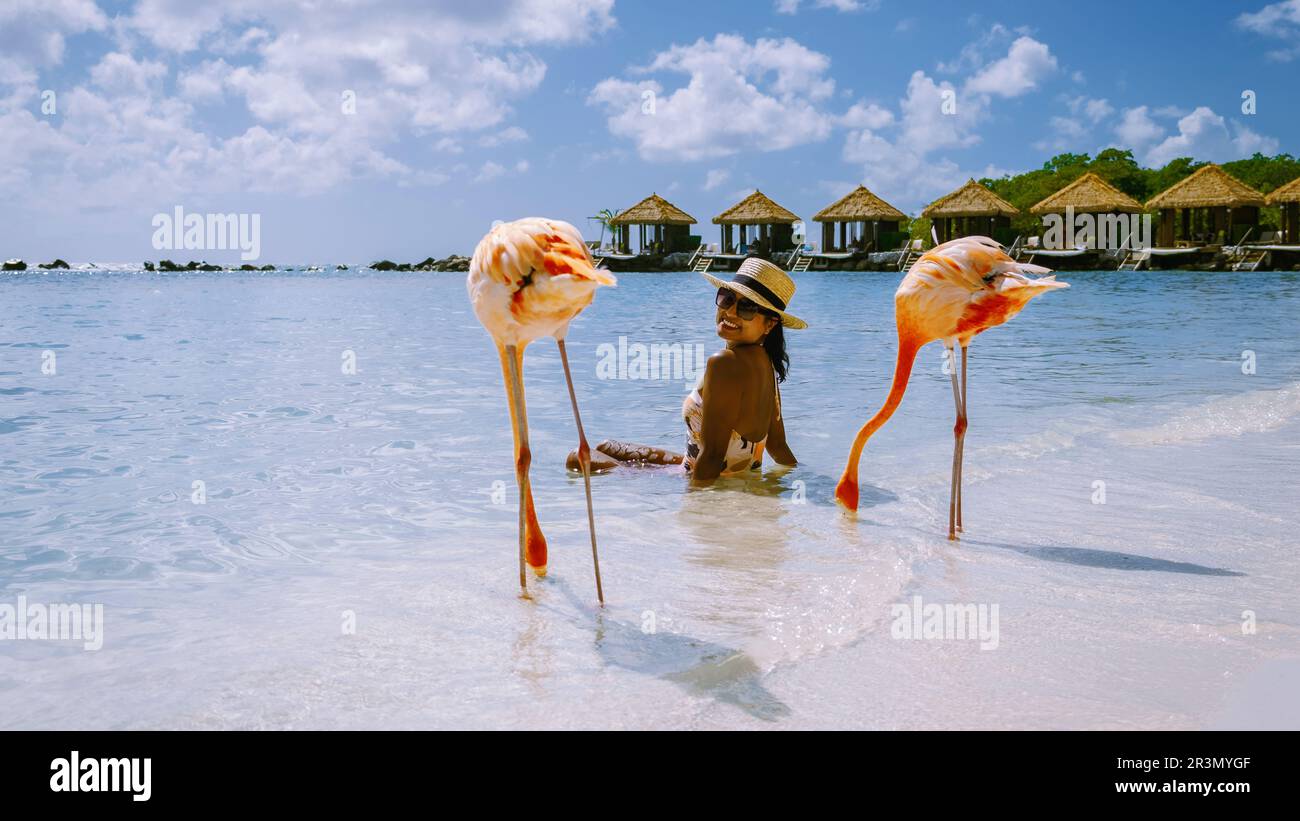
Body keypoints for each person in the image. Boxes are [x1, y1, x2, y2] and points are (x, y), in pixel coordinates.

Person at [568, 257, 807, 484]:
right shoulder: (767, 363)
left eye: (747, 307)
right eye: (726, 299)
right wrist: (802, 482)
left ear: (770, 324)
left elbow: (713, 456)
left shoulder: (724, 363)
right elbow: (778, 447)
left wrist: (695, 511)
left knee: (577, 457)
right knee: (605, 446)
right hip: (703, 465)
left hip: (698, 475)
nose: (731, 312)